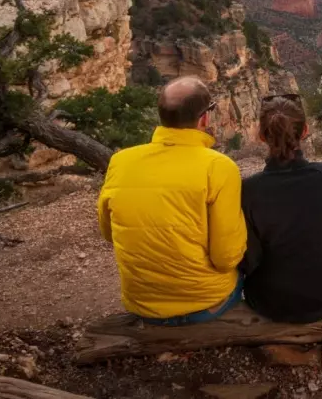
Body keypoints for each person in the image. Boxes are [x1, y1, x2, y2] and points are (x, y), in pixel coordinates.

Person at [97, 76, 247, 325]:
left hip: (143, 306)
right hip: (205, 304)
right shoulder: (219, 167)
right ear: (204, 118)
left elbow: (109, 232)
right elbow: (226, 258)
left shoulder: (120, 162)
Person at [241, 95, 322, 323]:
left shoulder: (249, 190)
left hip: (269, 301)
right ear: (305, 131)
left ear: (261, 136)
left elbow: (251, 257)